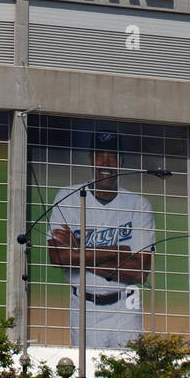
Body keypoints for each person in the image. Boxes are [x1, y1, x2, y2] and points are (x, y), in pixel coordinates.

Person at [47, 131, 155, 349]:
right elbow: (58, 256)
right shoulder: (67, 197)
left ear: (121, 161)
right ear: (90, 158)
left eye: (113, 156)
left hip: (126, 306)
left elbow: (139, 271)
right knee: (87, 374)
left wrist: (79, 251)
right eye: (99, 155)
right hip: (84, 305)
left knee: (130, 373)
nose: (106, 162)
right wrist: (116, 251)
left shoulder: (139, 204)